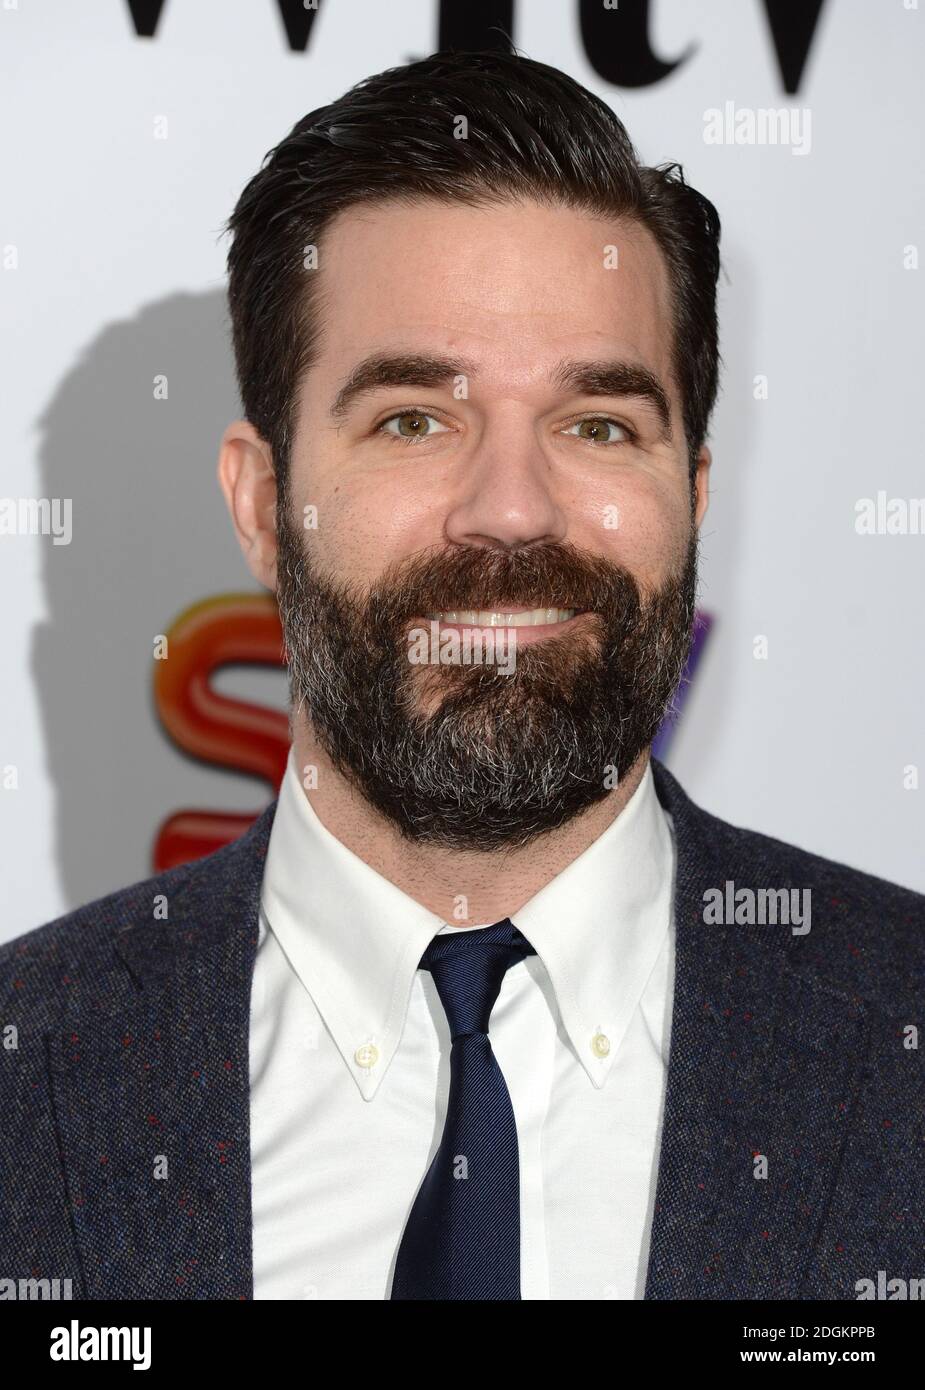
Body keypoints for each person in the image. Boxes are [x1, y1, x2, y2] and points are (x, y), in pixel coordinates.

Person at [2, 49, 922, 1303]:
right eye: (413, 419)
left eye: (597, 423)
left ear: (693, 496)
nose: (510, 511)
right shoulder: (28, 1072)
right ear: (264, 503)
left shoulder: (896, 1021)